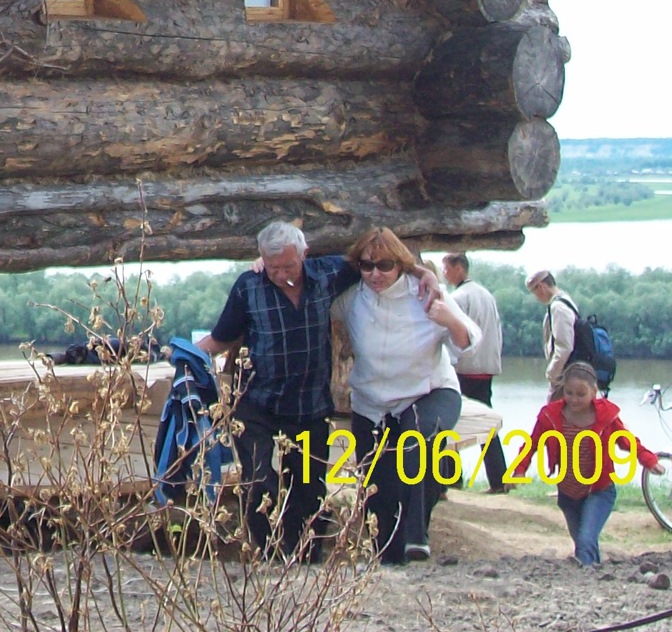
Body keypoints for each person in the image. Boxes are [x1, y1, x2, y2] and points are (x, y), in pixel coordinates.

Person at [196, 221, 362, 559]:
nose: (282, 274)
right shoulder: (249, 287)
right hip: (256, 403)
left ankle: (307, 556)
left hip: (309, 406)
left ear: (305, 254)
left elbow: (379, 259)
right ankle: (271, 552)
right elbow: (222, 336)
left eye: (289, 266)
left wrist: (427, 277)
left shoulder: (328, 273)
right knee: (258, 481)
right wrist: (187, 356)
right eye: (273, 267)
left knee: (309, 486)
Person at [333, 229, 479, 564]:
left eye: (385, 265)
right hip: (372, 404)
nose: (375, 274)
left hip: (429, 391)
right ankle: (389, 557)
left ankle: (417, 535)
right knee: (378, 487)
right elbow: (309, 286)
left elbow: (470, 341)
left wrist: (449, 320)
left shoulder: (426, 293)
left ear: (400, 264)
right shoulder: (351, 298)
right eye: (367, 266)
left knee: (416, 440)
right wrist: (262, 264)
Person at [513, 361, 657, 566]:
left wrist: (648, 460)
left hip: (599, 490)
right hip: (568, 493)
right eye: (569, 393)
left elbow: (627, 441)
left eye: (581, 394)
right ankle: (596, 575)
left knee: (586, 540)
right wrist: (519, 469)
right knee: (583, 542)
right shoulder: (550, 415)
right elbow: (532, 443)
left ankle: (584, 579)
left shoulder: (606, 416)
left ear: (594, 392)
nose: (574, 399)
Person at [443, 252, 508, 493]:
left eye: (447, 269)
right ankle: (499, 478)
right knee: (486, 423)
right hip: (486, 367)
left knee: (452, 423)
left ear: (459, 268)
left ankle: (451, 477)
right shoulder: (486, 295)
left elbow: (452, 335)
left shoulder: (458, 298)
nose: (444, 274)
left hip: (465, 368)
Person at [527, 269, 578, 395]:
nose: (536, 298)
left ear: (541, 287)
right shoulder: (566, 300)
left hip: (563, 376)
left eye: (534, 292)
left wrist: (551, 375)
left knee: (552, 408)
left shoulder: (558, 307)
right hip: (570, 373)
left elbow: (564, 347)